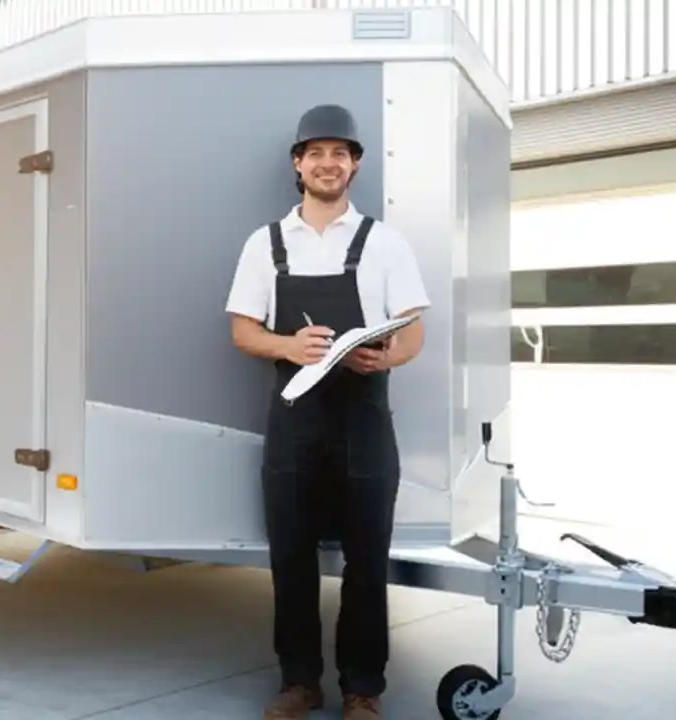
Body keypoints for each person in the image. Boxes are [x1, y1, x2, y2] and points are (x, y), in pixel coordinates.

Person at [225, 104, 431, 720]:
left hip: (364, 418)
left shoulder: (385, 242)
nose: (327, 163)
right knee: (291, 559)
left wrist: (386, 359)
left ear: (356, 164)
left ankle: (362, 689)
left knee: (368, 561)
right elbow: (241, 330)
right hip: (295, 421)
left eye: (340, 153)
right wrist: (288, 345)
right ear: (298, 163)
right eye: (315, 153)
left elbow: (414, 332)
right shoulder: (265, 244)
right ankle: (300, 683)